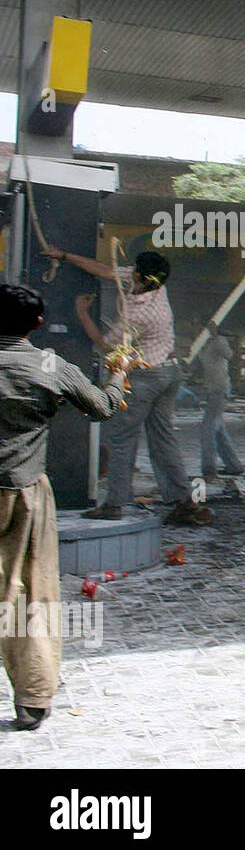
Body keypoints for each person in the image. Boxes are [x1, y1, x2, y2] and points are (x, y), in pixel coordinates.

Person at [0, 284, 132, 731]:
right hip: (26, 494)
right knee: (33, 596)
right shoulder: (50, 366)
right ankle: (33, 699)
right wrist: (118, 373)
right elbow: (104, 408)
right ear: (37, 325)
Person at [43, 245, 209, 526]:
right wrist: (66, 255)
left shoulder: (139, 316)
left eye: (134, 271)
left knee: (121, 438)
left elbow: (108, 346)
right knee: (163, 439)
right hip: (170, 372)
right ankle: (184, 501)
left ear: (142, 277)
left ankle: (114, 505)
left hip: (146, 377)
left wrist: (82, 313)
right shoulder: (155, 285)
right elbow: (106, 271)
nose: (129, 273)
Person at [193, 321, 245, 482]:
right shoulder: (201, 345)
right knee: (218, 430)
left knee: (208, 429)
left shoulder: (218, 341)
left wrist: (216, 336)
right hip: (212, 390)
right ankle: (234, 465)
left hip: (220, 389)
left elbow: (232, 357)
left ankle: (209, 469)